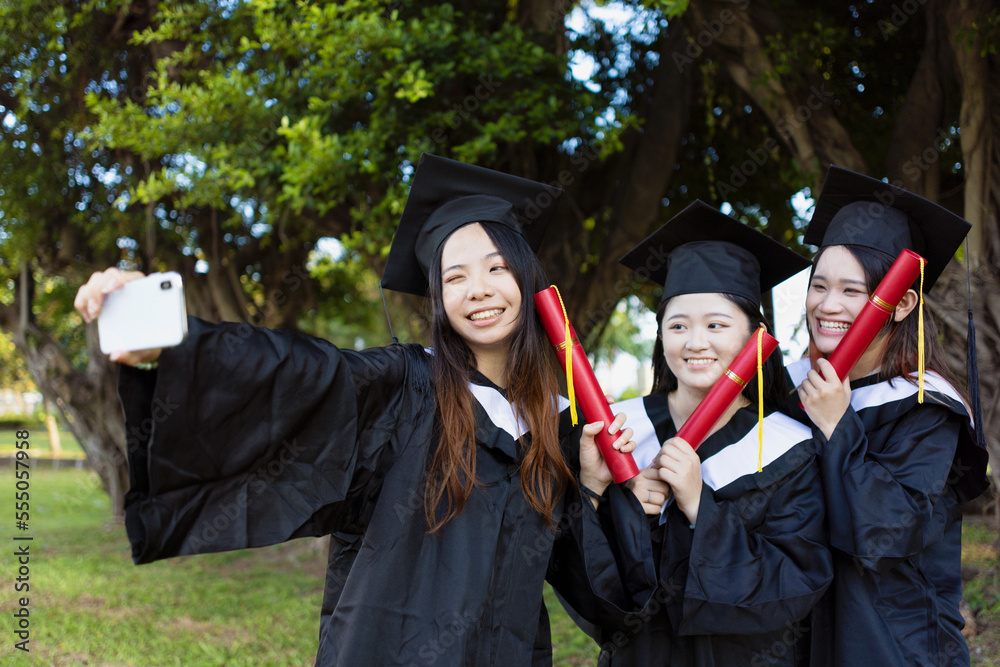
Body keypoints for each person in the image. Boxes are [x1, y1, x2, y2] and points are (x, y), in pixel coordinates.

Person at [74, 153, 655, 666]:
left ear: (527, 282)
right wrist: (173, 338)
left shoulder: (554, 423)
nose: (477, 289)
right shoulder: (404, 386)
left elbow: (588, 586)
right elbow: (302, 373)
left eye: (497, 268)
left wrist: (593, 488)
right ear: (438, 297)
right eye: (455, 277)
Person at [588, 200, 832, 665]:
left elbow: (798, 580)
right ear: (660, 334)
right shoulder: (621, 430)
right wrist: (597, 491)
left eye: (716, 325)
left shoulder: (788, 444)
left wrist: (701, 506)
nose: (695, 342)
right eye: (677, 325)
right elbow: (588, 578)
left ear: (754, 336)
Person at [788, 166, 990, 666]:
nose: (827, 304)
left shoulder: (926, 407)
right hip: (800, 638)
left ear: (901, 303)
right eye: (819, 285)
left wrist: (839, 424)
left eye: (852, 291)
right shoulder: (791, 388)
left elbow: (885, 533)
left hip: (893, 642)